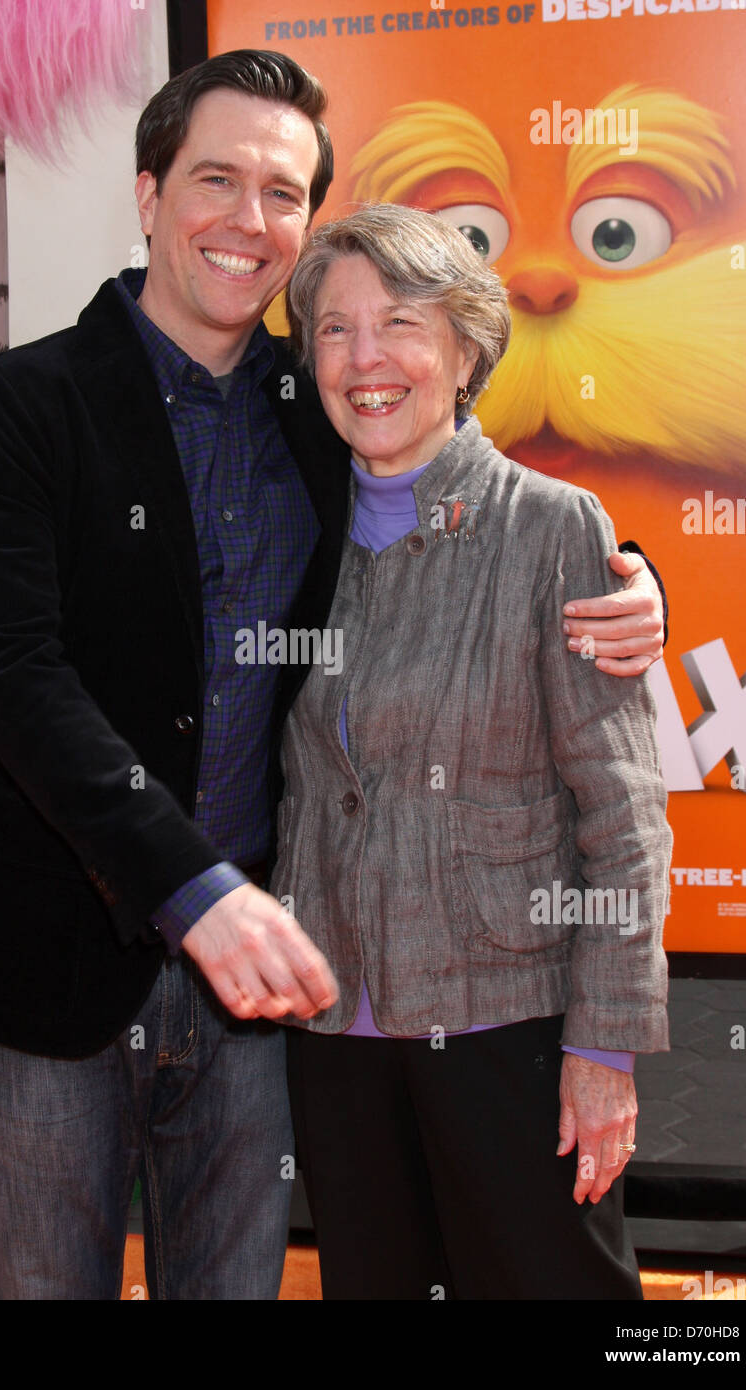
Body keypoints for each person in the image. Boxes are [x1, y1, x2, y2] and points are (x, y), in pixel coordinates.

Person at [0, 51, 666, 1301]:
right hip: (55, 970)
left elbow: (453, 487)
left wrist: (626, 574)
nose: (249, 220)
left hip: (262, 1010)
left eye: (283, 192)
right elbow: (13, 672)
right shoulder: (24, 399)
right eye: (216, 179)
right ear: (149, 192)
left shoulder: (307, 402)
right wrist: (192, 888)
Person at [272, 202, 672, 1300]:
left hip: (512, 1024)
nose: (365, 360)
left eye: (399, 322)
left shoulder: (552, 530)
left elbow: (624, 817)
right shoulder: (288, 531)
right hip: (336, 1027)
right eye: (335, 330)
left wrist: (604, 1050)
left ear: (465, 347)